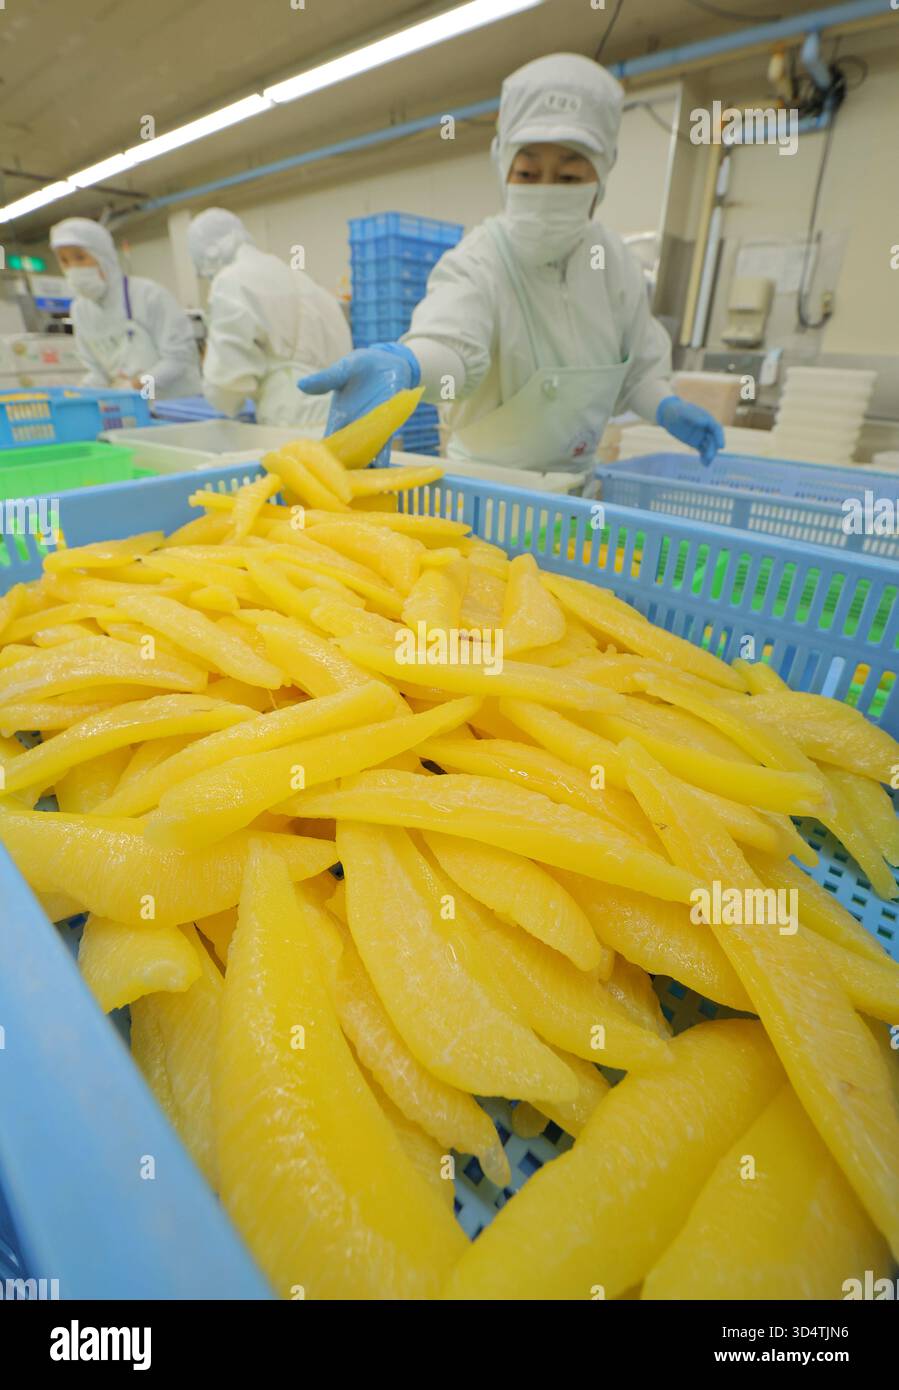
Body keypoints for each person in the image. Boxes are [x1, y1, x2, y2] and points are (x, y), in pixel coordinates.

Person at [300, 53, 724, 474]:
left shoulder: (614, 263)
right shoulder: (480, 258)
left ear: (602, 177)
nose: (546, 190)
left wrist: (665, 405)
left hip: (577, 490)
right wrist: (410, 364)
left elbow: (640, 371)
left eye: (569, 178)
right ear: (503, 168)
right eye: (528, 173)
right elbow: (452, 346)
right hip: (488, 492)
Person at [187, 208, 352, 427]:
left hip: (291, 421)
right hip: (342, 417)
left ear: (209, 252)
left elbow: (226, 384)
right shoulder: (306, 283)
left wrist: (224, 398)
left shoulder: (231, 281)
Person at [49, 217, 202, 399]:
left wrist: (138, 388)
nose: (73, 268)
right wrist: (79, 393)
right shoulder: (80, 311)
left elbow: (178, 361)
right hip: (131, 409)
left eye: (80, 258)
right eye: (64, 261)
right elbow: (98, 372)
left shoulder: (148, 295)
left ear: (103, 256)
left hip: (177, 404)